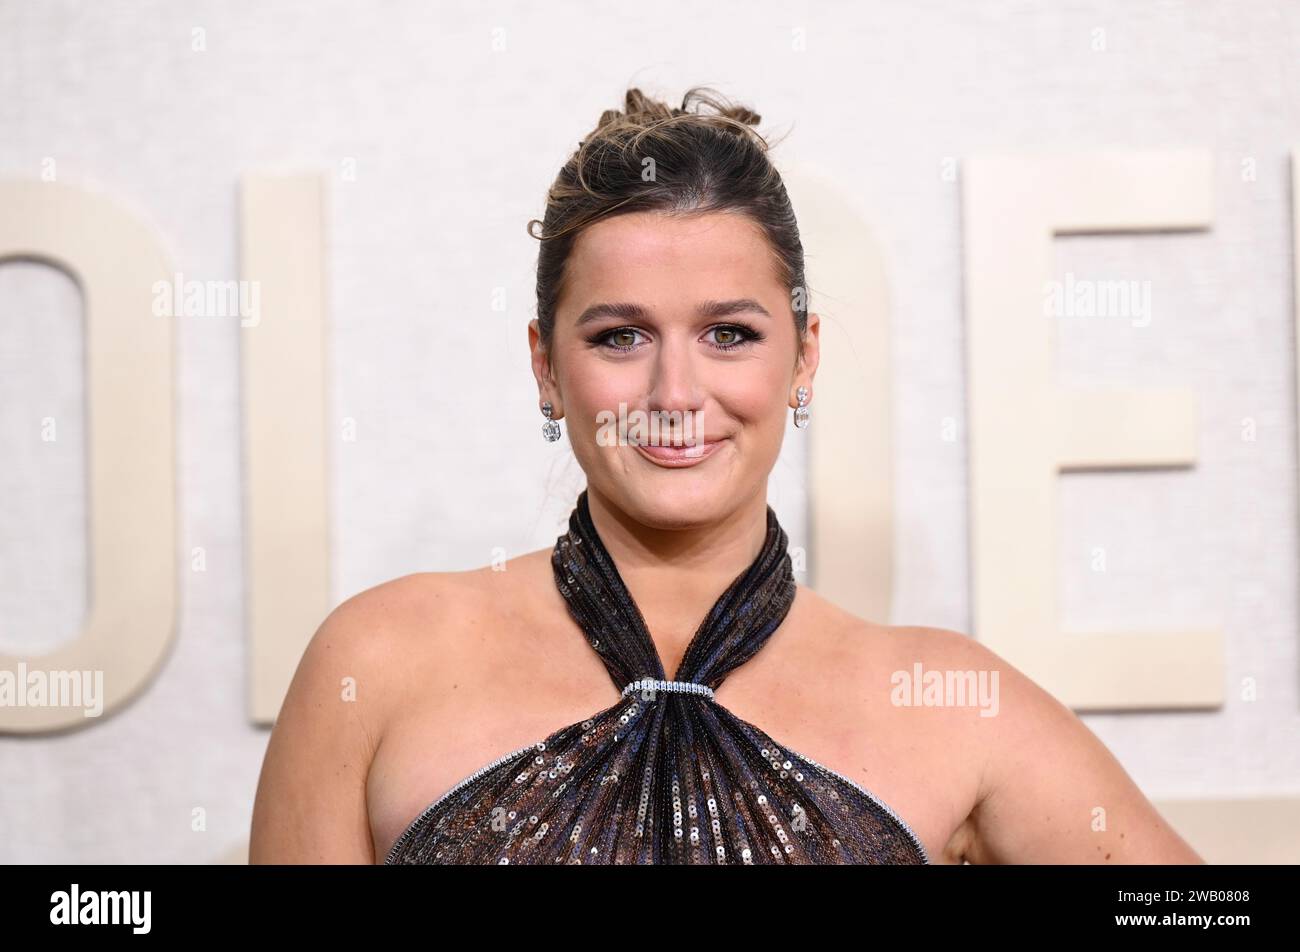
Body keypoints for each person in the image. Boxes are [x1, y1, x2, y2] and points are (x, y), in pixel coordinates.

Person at [249, 86, 1204, 865]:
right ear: (546, 365)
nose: (675, 390)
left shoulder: (950, 705)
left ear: (804, 358)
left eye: (729, 334)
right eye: (619, 336)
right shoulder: (375, 666)